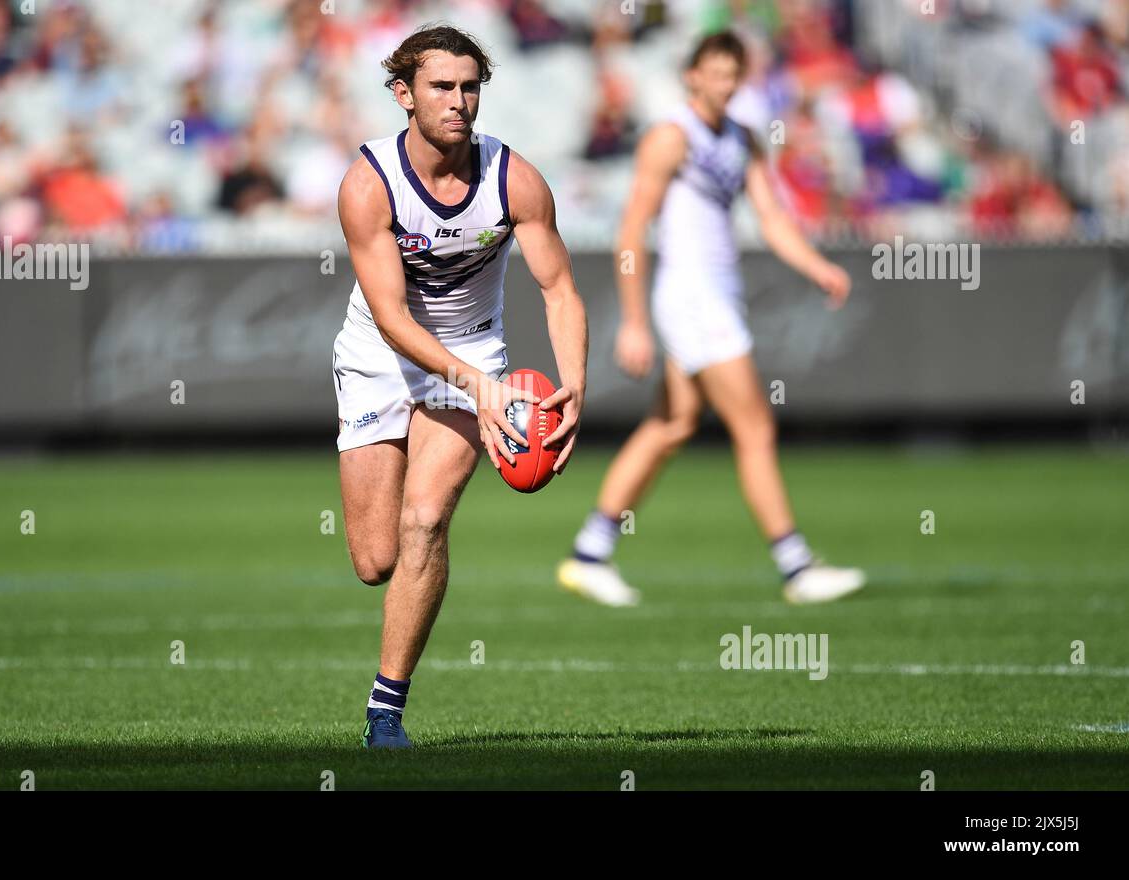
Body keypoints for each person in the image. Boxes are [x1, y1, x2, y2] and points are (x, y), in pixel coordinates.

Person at [333, 25, 588, 748]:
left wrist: (574, 383)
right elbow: (389, 316)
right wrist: (477, 385)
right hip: (380, 353)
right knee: (375, 559)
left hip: (474, 348)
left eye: (470, 86)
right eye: (442, 87)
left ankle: (386, 712)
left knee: (425, 521)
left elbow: (561, 290)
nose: (459, 101)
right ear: (403, 94)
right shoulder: (368, 183)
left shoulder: (515, 180)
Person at [557, 31, 864, 608]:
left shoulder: (743, 137)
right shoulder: (672, 137)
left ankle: (589, 553)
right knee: (755, 428)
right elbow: (631, 231)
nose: (725, 83)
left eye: (734, 74)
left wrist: (817, 266)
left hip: (718, 294)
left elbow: (771, 217)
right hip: (693, 298)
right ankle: (795, 564)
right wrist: (633, 320)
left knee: (671, 425)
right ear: (691, 75)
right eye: (715, 72)